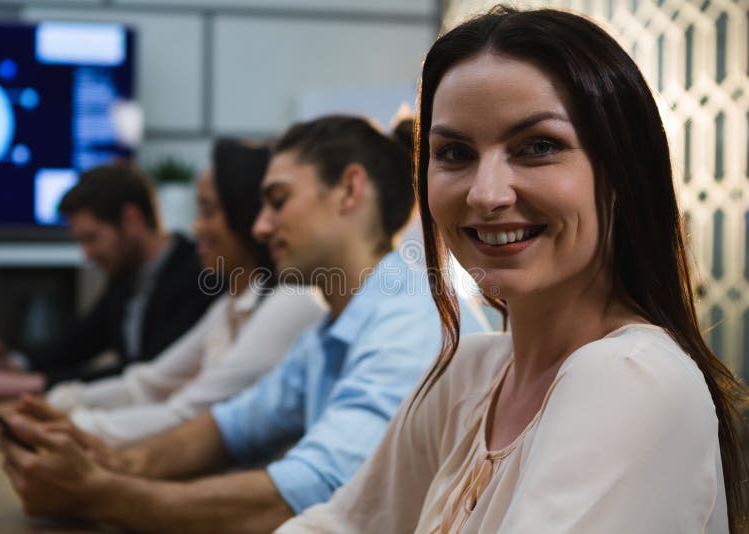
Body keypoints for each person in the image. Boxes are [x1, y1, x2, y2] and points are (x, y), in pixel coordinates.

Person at [278, 7, 749, 534]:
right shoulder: (466, 372)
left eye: (539, 147)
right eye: (454, 153)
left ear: (622, 170)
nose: (486, 194)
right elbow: (342, 524)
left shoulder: (631, 377)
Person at [0, 115, 487, 533]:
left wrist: (98, 493)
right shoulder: (337, 325)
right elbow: (228, 426)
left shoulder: (409, 319)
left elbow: (311, 493)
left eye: (277, 201)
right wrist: (106, 462)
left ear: (349, 190)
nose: (259, 227)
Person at [36, 139, 326, 447]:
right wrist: (57, 406)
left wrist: (67, 426)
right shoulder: (228, 306)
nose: (196, 227)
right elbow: (148, 384)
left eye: (209, 211)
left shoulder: (290, 303)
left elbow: (191, 415)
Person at [0, 164, 215, 397]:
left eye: (91, 238)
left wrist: (32, 383)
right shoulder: (126, 278)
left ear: (131, 219)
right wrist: (13, 361)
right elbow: (76, 344)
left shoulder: (198, 274)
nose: (87, 254)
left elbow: (150, 370)